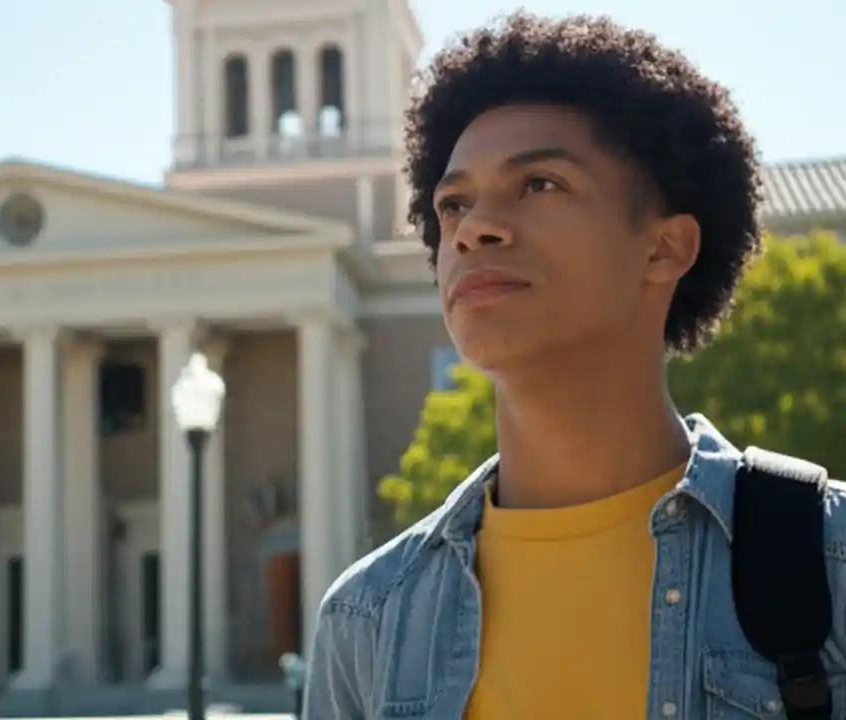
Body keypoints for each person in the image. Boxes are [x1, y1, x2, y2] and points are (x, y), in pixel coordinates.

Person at [305, 11, 841, 720]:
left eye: (539, 185)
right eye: (453, 205)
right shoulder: (366, 619)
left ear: (665, 249)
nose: (472, 230)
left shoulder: (828, 561)